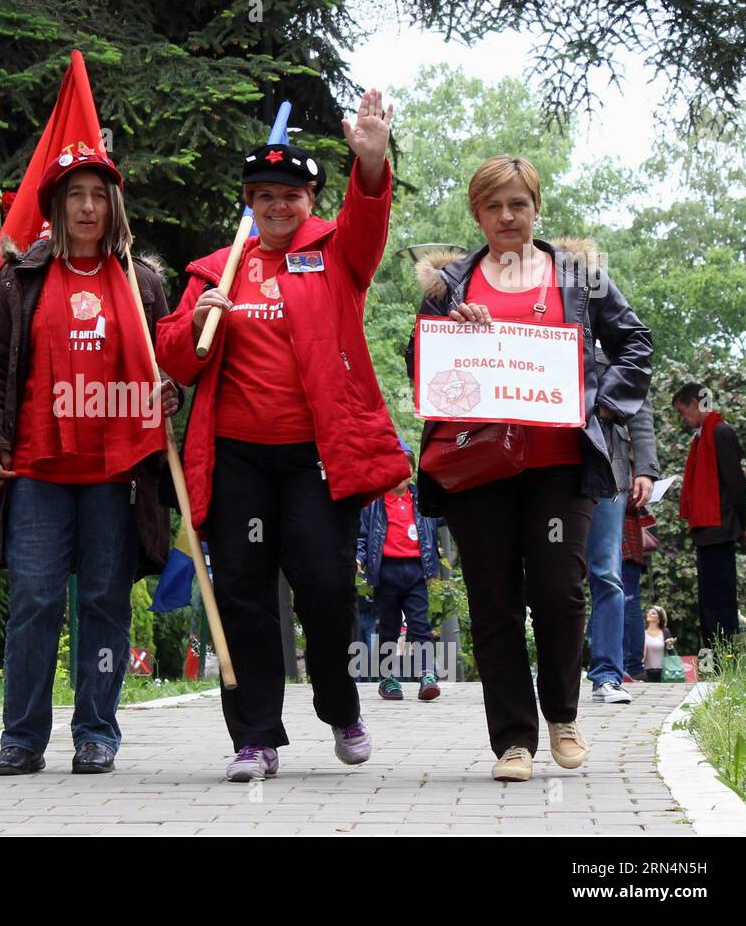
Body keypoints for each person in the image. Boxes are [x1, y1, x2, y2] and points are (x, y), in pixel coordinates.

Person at [156, 89, 407, 782]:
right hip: (237, 458)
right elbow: (175, 357)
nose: (277, 206)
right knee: (241, 592)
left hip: (317, 458)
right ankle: (255, 737)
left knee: (326, 588)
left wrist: (373, 163)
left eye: (290, 194)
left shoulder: (336, 254)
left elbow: (367, 219)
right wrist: (197, 320)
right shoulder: (215, 269)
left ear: (311, 198)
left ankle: (339, 704)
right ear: (247, 201)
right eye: (264, 194)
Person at [405, 155, 652, 782]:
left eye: (518, 203)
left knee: (560, 592)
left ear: (536, 206)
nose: (507, 216)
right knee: (492, 601)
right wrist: (455, 334)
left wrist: (595, 402)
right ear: (477, 214)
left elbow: (635, 344)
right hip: (478, 464)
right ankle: (512, 742)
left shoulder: (579, 275)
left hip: (559, 465)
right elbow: (427, 367)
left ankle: (563, 715)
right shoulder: (450, 286)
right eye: (494, 206)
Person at [0, 150, 180, 776]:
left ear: (114, 207)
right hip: (37, 471)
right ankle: (22, 736)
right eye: (75, 194)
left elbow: (170, 368)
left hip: (115, 474)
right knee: (34, 599)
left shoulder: (142, 282)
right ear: (56, 205)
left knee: (105, 601)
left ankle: (96, 733)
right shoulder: (21, 277)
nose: (86, 206)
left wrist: (170, 392)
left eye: (98, 196)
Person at [585, 344, 659, 703]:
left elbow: (640, 409)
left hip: (609, 472)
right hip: (550, 473)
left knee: (607, 573)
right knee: (551, 576)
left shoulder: (616, 346)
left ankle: (606, 676)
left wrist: (644, 468)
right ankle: (555, 676)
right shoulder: (545, 328)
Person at [356, 438, 445, 701]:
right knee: (389, 627)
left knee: (420, 625)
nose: (399, 474)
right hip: (386, 572)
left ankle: (427, 674)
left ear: (412, 470)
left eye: (404, 468)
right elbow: (362, 537)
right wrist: (358, 558)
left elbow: (444, 514)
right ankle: (387, 678)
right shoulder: (373, 503)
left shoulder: (421, 500)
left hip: (416, 572)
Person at [672, 382, 746, 645]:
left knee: (720, 600)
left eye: (683, 411)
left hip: (720, 527)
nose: (683, 419)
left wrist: (740, 526)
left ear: (696, 404)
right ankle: (713, 657)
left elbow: (736, 484)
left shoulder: (720, 431)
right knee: (708, 599)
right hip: (707, 530)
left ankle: (724, 656)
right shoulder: (701, 437)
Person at [621, 501, 657, 682]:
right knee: (630, 602)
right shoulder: (636, 474)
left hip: (621, 541)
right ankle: (633, 667)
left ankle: (626, 666)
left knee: (622, 603)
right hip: (628, 540)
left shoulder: (626, 474)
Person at [642, 607, 675, 682]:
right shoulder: (642, 632)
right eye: (649, 612)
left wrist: (670, 645)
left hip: (663, 672)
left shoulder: (665, 632)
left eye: (653, 613)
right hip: (645, 672)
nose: (649, 614)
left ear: (659, 618)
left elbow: (671, 654)